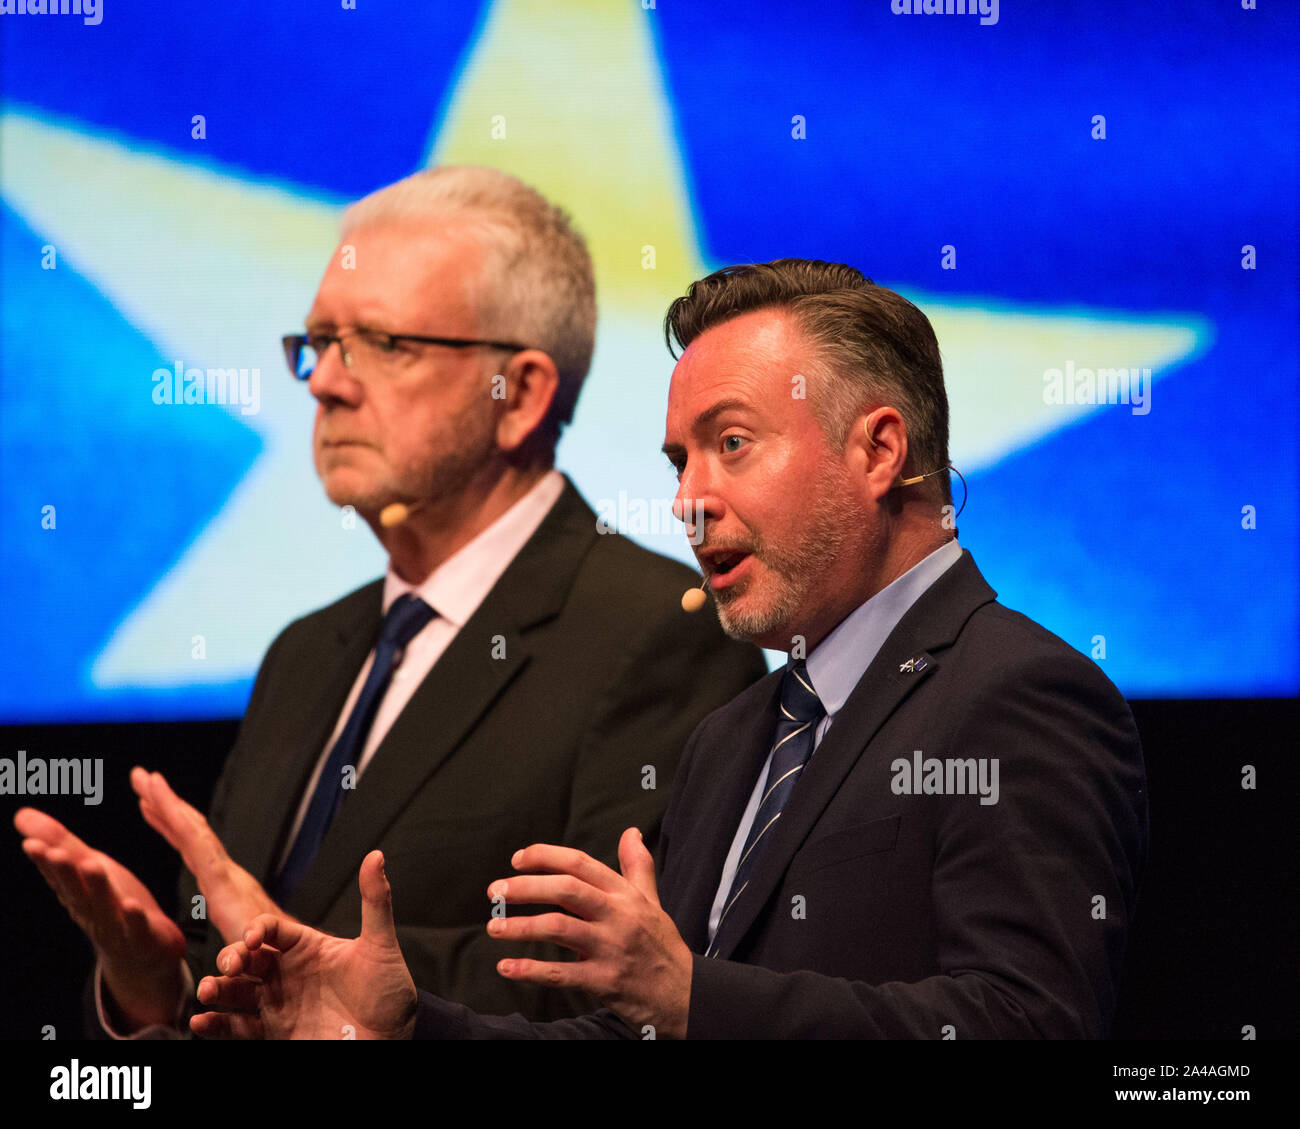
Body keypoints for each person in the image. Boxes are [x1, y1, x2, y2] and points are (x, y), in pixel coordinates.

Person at [191, 259, 1149, 1040]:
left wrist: (696, 997)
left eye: (731, 443)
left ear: (879, 450)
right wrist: (410, 1027)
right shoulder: (733, 737)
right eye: (678, 461)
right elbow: (640, 1034)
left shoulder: (1020, 695)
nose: (690, 500)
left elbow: (1030, 1022)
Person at [13, 167, 766, 1036]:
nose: (324, 382)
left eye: (382, 343)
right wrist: (154, 987)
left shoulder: (659, 631)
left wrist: (306, 967)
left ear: (519, 394)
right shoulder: (305, 652)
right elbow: (228, 970)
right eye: (320, 342)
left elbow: (615, 985)